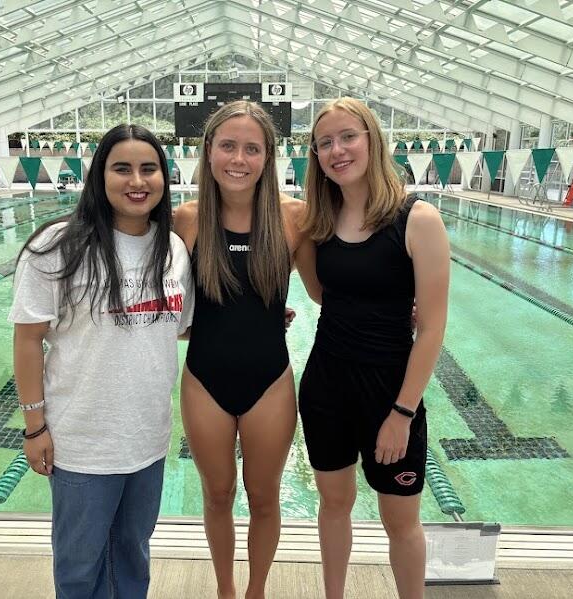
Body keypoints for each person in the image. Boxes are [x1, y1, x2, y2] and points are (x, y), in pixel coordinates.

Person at [10, 123, 194, 599]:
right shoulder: (57, 246)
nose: (137, 181)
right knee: (79, 563)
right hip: (82, 441)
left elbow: (179, 325)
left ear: (163, 177)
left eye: (148, 169)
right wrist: (34, 427)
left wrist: (257, 317)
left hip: (148, 438)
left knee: (133, 553)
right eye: (123, 169)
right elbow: (29, 339)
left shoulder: (171, 249)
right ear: (100, 176)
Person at [298, 97, 450, 599]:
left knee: (400, 518)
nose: (337, 150)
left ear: (372, 140)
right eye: (325, 143)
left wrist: (402, 412)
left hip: (389, 392)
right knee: (333, 503)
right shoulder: (321, 219)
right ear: (315, 155)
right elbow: (324, 294)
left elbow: (430, 329)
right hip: (325, 387)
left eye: (348, 137)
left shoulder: (417, 218)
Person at [174, 100, 318, 599]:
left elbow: (327, 290)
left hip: (270, 382)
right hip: (204, 381)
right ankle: (226, 591)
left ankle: (256, 590)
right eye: (228, 145)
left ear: (268, 157)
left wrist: (398, 300)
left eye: (252, 148)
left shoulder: (294, 218)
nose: (239, 158)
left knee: (264, 498)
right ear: (208, 151)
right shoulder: (185, 221)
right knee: (217, 496)